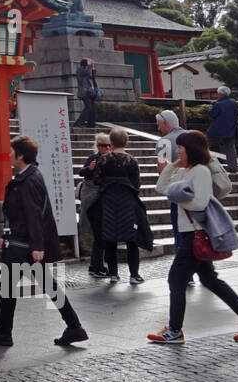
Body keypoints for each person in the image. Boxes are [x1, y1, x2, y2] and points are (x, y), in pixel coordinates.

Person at [149, 131, 238, 344]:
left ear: (191, 149)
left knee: (176, 279)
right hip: (189, 233)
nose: (177, 150)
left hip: (195, 234)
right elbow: (161, 188)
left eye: (181, 147)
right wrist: (172, 167)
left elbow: (200, 203)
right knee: (210, 279)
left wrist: (180, 200)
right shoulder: (185, 171)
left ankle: (174, 331)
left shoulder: (200, 171)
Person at [0, 136, 88, 348]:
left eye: (12, 151)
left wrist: (38, 246)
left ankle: (4, 332)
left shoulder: (27, 181)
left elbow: (34, 215)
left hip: (23, 245)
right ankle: (74, 326)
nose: (9, 155)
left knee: (11, 287)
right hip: (22, 242)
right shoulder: (30, 176)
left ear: (20, 155)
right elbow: (19, 215)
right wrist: (5, 235)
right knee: (41, 285)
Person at [92, 127, 144, 284]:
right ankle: (134, 274)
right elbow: (137, 184)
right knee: (131, 240)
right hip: (127, 202)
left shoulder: (104, 160)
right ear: (126, 142)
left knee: (110, 238)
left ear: (111, 142)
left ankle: (114, 274)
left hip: (108, 202)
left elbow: (96, 180)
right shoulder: (132, 161)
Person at [79, 133, 113, 277]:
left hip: (104, 199)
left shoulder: (112, 159)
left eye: (106, 145)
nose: (104, 148)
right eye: (101, 145)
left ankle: (96, 265)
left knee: (100, 235)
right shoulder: (93, 158)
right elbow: (82, 172)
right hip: (93, 200)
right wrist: (90, 169)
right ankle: (97, 265)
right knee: (98, 234)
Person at [155, 109, 187, 240]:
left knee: (179, 227)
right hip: (197, 188)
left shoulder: (164, 142)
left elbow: (162, 168)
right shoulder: (193, 136)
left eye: (159, 124)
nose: (158, 128)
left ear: (166, 123)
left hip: (177, 190)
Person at [207, 86, 238, 174]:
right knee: (230, 148)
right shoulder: (234, 103)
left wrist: (212, 106)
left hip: (216, 130)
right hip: (230, 130)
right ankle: (233, 167)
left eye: (218, 93)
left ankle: (202, 164)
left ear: (220, 94)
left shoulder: (218, 104)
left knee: (205, 146)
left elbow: (212, 114)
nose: (217, 95)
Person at [75, 58, 98, 127]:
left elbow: (92, 76)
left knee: (92, 108)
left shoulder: (86, 71)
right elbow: (87, 72)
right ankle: (78, 122)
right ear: (85, 64)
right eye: (88, 63)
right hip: (84, 92)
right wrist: (91, 65)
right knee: (88, 107)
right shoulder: (80, 70)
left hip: (90, 92)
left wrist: (93, 68)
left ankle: (91, 124)